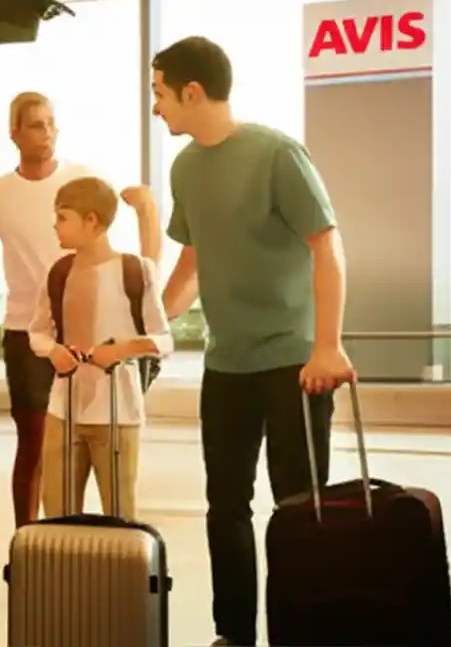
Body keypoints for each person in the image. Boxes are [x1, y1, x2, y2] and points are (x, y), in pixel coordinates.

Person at [151, 36, 356, 646]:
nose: (155, 108)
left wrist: (328, 343)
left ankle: (303, 633)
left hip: (295, 362)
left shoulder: (276, 153)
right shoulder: (185, 167)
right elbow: (192, 262)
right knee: (225, 507)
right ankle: (233, 633)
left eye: (159, 95)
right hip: (228, 364)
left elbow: (328, 246)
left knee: (296, 507)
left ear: (192, 92)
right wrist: (154, 325)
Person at [0, 91, 162, 529]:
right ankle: (28, 540)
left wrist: (147, 210)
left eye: (51, 124)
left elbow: (132, 256)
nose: (47, 134)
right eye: (36, 125)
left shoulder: (81, 180)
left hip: (87, 332)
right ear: (14, 134)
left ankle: (107, 539)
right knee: (36, 440)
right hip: (27, 332)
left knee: (95, 440)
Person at [27, 177, 174, 521]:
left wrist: (123, 349)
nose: (56, 227)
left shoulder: (135, 271)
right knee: (57, 516)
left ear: (91, 220)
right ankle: (63, 575)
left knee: (120, 515)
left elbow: (164, 340)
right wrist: (52, 351)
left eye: (63, 218)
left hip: (118, 412)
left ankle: (120, 575)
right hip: (63, 410)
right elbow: (37, 332)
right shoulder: (59, 272)